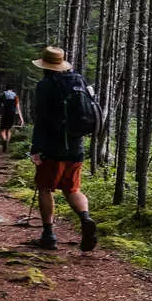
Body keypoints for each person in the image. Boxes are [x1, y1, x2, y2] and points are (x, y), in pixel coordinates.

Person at [28, 46, 98, 252]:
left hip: (52, 146)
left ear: (46, 65)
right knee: (72, 188)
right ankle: (85, 219)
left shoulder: (46, 85)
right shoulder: (78, 80)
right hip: (76, 144)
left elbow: (41, 119)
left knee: (44, 187)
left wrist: (36, 148)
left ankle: (48, 235)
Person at [0, 86, 23, 152]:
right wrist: (21, 118)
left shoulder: (3, 94)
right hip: (12, 114)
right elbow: (18, 108)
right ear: (12, 89)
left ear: (6, 89)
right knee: (9, 129)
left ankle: (4, 140)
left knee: (2, 130)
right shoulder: (15, 96)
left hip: (5, 113)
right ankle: (7, 142)